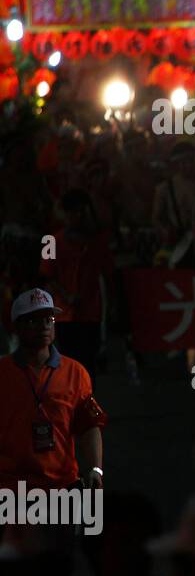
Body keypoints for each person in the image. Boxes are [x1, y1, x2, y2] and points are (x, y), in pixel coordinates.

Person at [0, 289, 107, 492]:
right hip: (10, 487)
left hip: (62, 485)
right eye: (34, 321)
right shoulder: (3, 373)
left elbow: (89, 425)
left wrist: (95, 469)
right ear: (17, 327)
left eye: (49, 320)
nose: (44, 327)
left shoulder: (76, 373)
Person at [39, 189, 113, 378]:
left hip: (90, 312)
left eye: (81, 211)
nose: (78, 216)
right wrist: (66, 296)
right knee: (68, 363)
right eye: (73, 212)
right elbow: (47, 276)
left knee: (87, 363)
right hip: (64, 314)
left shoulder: (97, 241)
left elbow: (108, 272)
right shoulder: (52, 241)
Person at [151, 141, 195, 268]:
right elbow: (156, 218)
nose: (188, 165)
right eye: (183, 162)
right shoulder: (165, 189)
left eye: (190, 160)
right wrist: (165, 232)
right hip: (178, 242)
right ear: (176, 164)